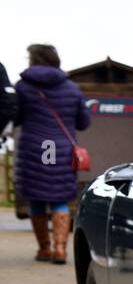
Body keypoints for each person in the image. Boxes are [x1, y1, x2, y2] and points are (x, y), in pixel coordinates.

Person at [12, 44, 90, 264]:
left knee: (37, 197)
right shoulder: (72, 88)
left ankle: (45, 248)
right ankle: (60, 249)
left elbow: (15, 115)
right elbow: (84, 122)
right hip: (62, 150)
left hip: (34, 148)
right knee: (59, 198)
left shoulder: (23, 87)